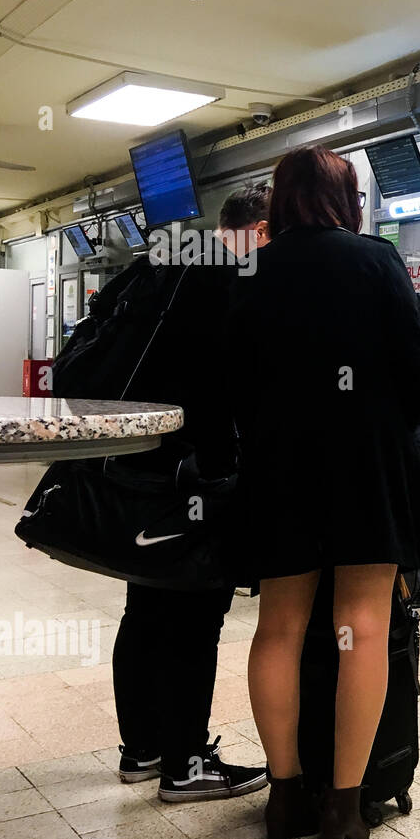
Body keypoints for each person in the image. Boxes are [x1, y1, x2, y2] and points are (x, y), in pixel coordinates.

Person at [226, 146, 420, 839]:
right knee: (362, 627)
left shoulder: (253, 269)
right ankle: (344, 808)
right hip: (364, 467)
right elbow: (419, 375)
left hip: (279, 469)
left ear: (280, 200)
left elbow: (233, 385)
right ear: (348, 199)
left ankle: (283, 791)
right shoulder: (375, 260)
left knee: (278, 626)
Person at [112, 184, 270, 802]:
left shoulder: (168, 264)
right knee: (195, 613)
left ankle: (142, 748)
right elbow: (225, 382)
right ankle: (186, 764)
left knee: (145, 606)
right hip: (195, 475)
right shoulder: (228, 278)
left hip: (142, 469)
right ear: (259, 231)